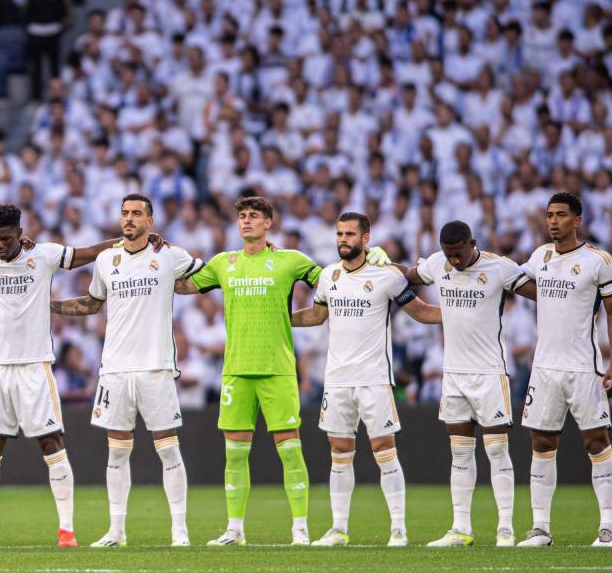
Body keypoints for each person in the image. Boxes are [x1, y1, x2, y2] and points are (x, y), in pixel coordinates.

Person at [0, 204, 141, 548]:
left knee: (51, 442)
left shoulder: (44, 255)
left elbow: (89, 252)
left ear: (20, 233)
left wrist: (133, 239)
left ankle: (66, 530)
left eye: (5, 238)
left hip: (35, 366)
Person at [50, 193, 202, 547]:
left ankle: (179, 530)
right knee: (117, 452)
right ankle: (116, 531)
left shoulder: (169, 256)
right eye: (125, 213)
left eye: (137, 213)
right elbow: (91, 304)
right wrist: (47, 305)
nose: (129, 218)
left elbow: (206, 277)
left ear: (150, 221)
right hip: (115, 369)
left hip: (155, 367)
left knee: (167, 449)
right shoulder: (106, 259)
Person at [173, 196, 321, 546]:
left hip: (277, 369)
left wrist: (294, 319)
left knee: (290, 449)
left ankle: (300, 527)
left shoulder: (290, 261)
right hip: (236, 370)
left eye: (254, 216)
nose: (247, 221)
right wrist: (159, 259)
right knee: (235, 453)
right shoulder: (224, 263)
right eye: (242, 216)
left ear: (269, 222)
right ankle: (234, 529)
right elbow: (183, 285)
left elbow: (329, 284)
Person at [290, 212, 440, 547]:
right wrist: (280, 319)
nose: (343, 240)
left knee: (384, 449)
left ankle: (398, 528)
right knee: (339, 451)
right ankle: (339, 529)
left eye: (349, 234)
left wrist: (462, 314)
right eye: (339, 234)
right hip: (337, 380)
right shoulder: (329, 276)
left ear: (366, 238)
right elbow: (316, 316)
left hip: (374, 379)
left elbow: (420, 311)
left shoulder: (386, 276)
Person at [382, 220, 529, 547]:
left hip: (490, 372)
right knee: (460, 454)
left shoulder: (500, 268)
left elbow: (540, 293)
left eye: (459, 254)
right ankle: (461, 529)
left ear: (471, 243)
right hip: (454, 374)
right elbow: (407, 274)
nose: (455, 261)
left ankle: (505, 528)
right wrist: (376, 263)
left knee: (496, 450)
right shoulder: (437, 263)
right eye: (450, 255)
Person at [517, 192, 612, 548]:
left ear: (577, 220)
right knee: (542, 442)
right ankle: (540, 529)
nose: (553, 221)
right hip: (545, 368)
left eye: (561, 215)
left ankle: (606, 528)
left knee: (596, 441)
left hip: (583, 368)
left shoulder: (598, 261)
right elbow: (521, 283)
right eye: (549, 215)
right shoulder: (540, 256)